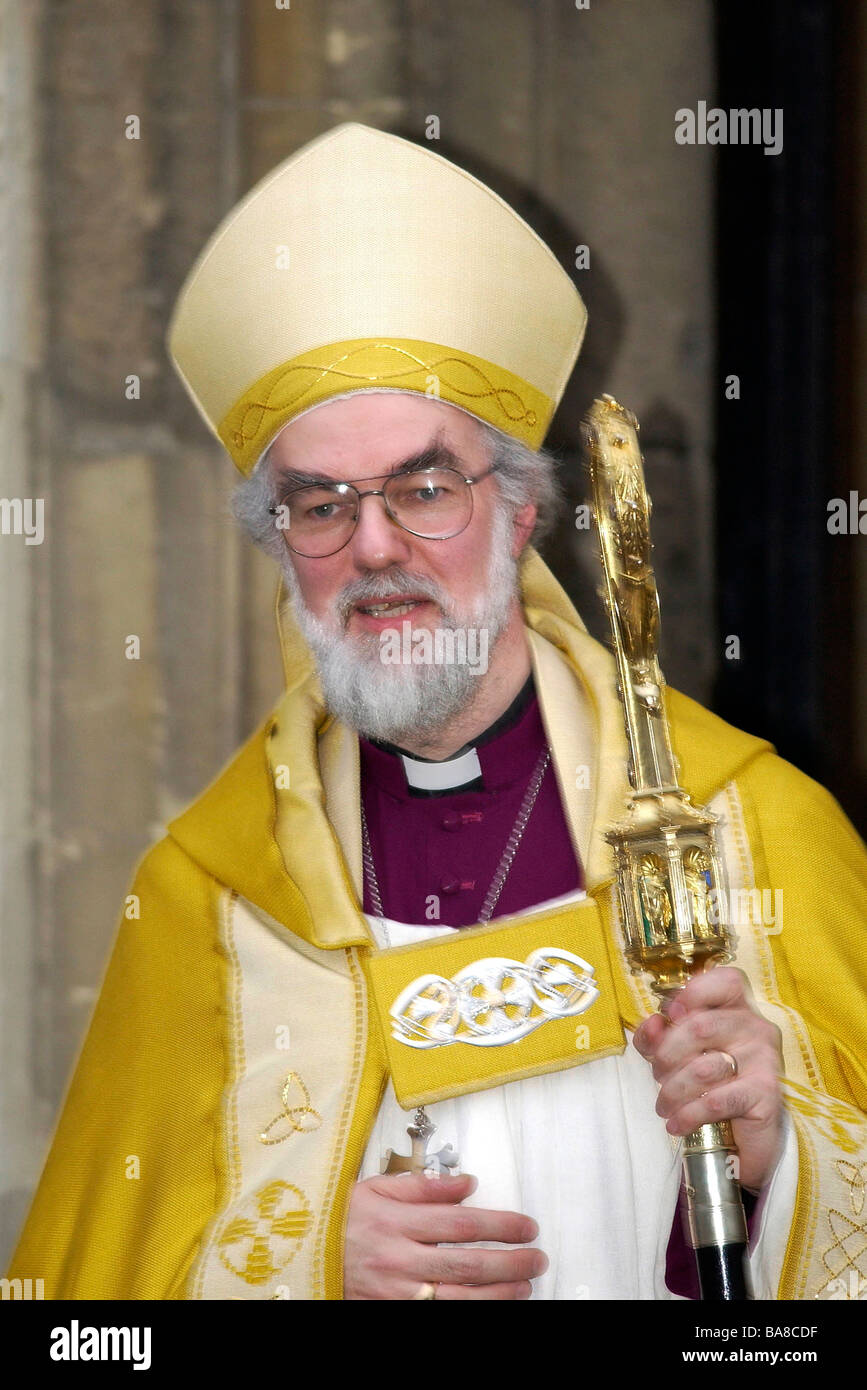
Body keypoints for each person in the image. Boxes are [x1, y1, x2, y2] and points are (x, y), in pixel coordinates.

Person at [8, 124, 867, 1302]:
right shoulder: (208, 900)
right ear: (283, 549)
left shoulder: (750, 831)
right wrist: (303, 1271)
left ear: (520, 516)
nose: (375, 548)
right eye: (320, 506)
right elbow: (79, 1328)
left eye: (424, 489)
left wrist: (771, 1170)